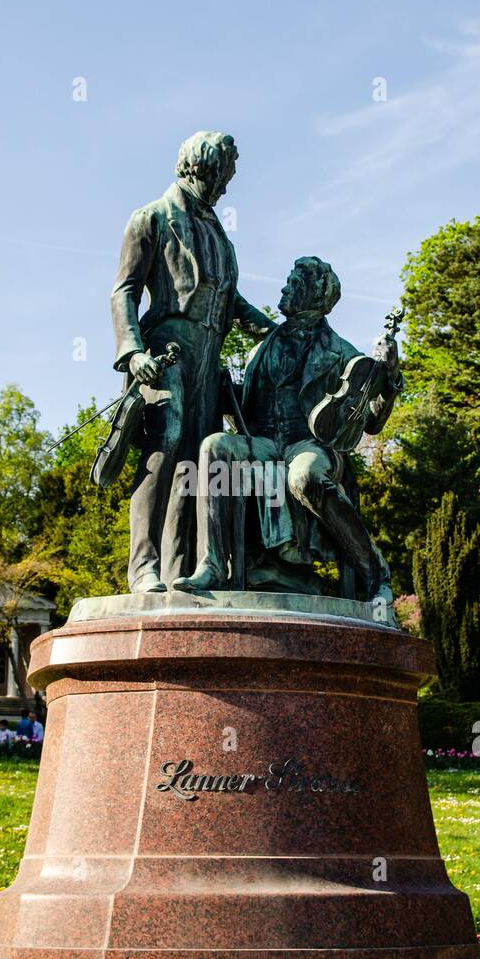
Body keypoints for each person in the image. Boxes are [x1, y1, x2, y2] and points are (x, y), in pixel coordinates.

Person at [173, 256, 401, 611]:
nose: (284, 288)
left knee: (304, 476)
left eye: (293, 283)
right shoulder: (263, 346)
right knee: (216, 446)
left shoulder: (340, 350)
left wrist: (390, 378)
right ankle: (212, 564)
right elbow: (246, 404)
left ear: (314, 295)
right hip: (265, 442)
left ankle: (375, 574)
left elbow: (371, 421)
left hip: (309, 444)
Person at [108, 131, 273, 591]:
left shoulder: (219, 233)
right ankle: (142, 565)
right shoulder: (153, 218)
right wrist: (133, 350)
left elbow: (230, 299)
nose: (226, 187)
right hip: (167, 351)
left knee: (196, 464)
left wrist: (275, 330)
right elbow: (124, 290)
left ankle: (179, 569)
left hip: (208, 356)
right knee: (164, 447)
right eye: (225, 176)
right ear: (205, 168)